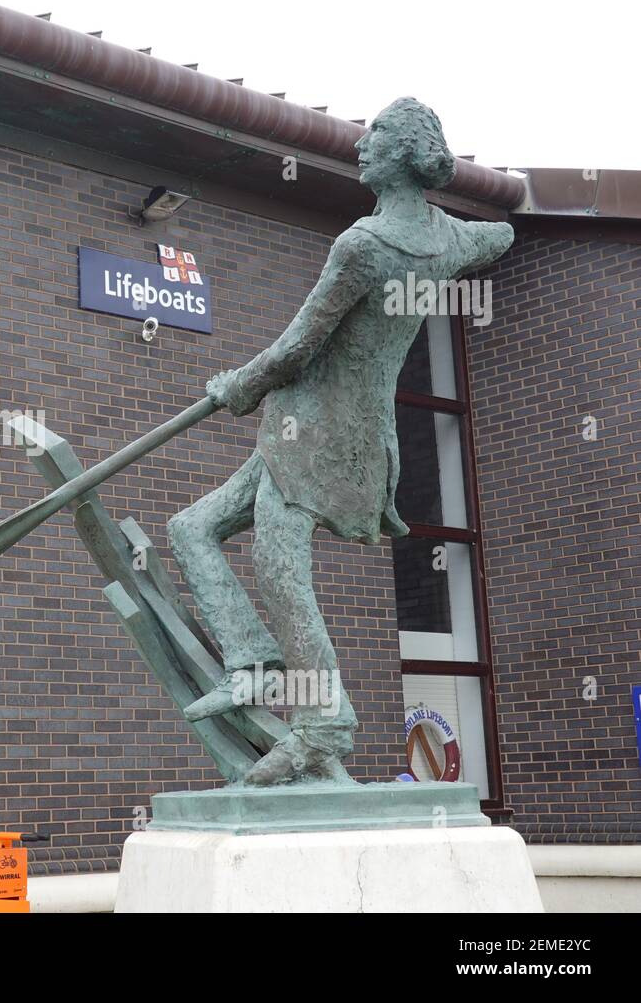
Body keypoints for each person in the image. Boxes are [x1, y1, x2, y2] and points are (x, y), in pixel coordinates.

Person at [168, 98, 513, 785]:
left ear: (406, 154)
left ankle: (324, 718)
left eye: (377, 133)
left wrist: (235, 387)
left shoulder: (363, 247)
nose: (362, 143)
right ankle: (252, 660)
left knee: (277, 566)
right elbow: (500, 234)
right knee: (191, 527)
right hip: (356, 438)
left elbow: (297, 348)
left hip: (313, 435)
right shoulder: (451, 240)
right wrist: (453, 242)